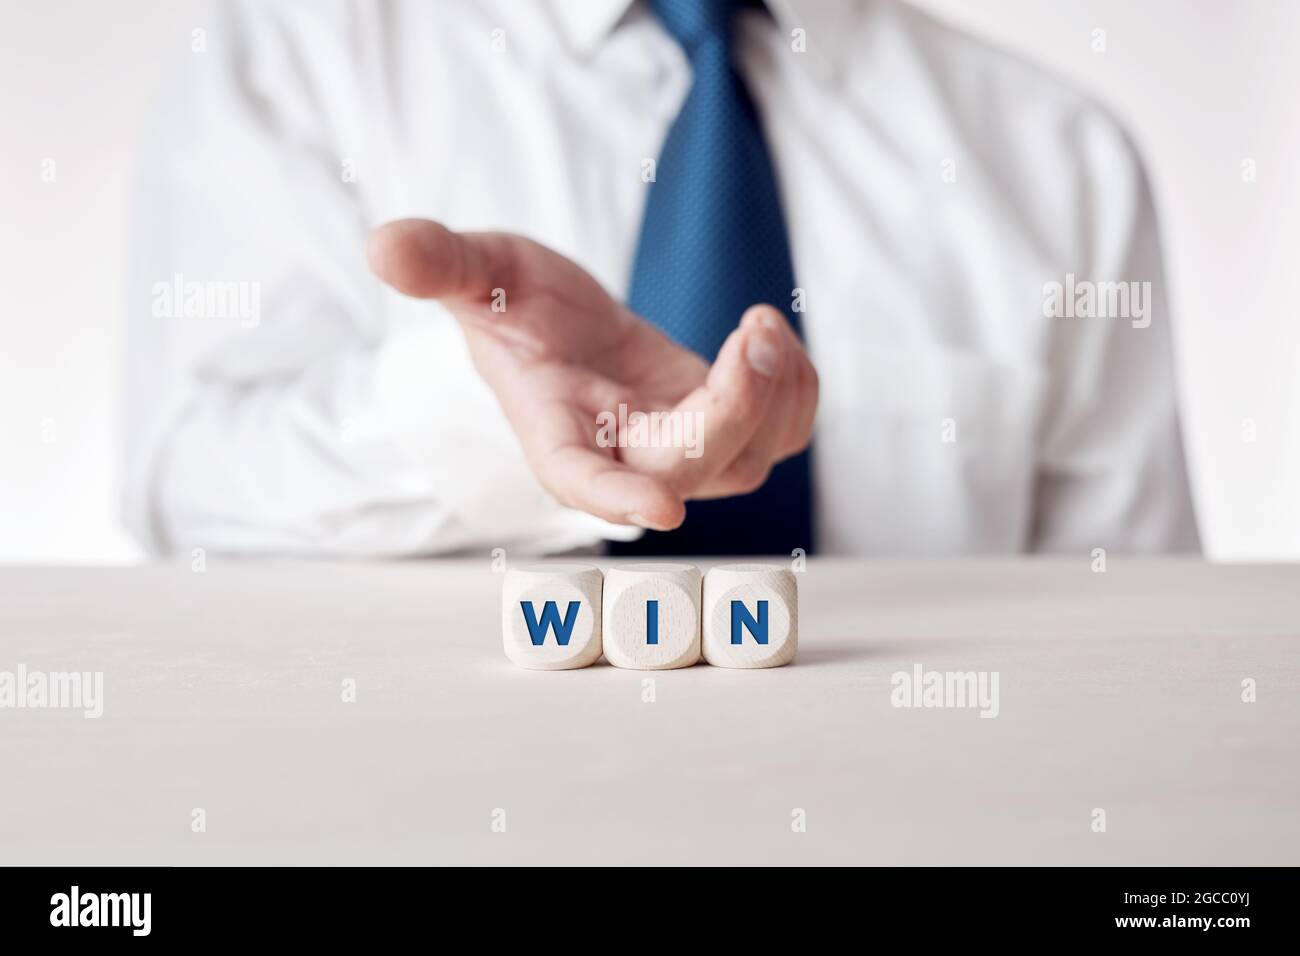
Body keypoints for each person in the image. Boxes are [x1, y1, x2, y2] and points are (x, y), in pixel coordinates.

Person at [123, 0, 1199, 558]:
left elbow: (1129, 659)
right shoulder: (297, 56)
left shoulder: (1060, 162)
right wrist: (482, 413)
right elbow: (188, 493)